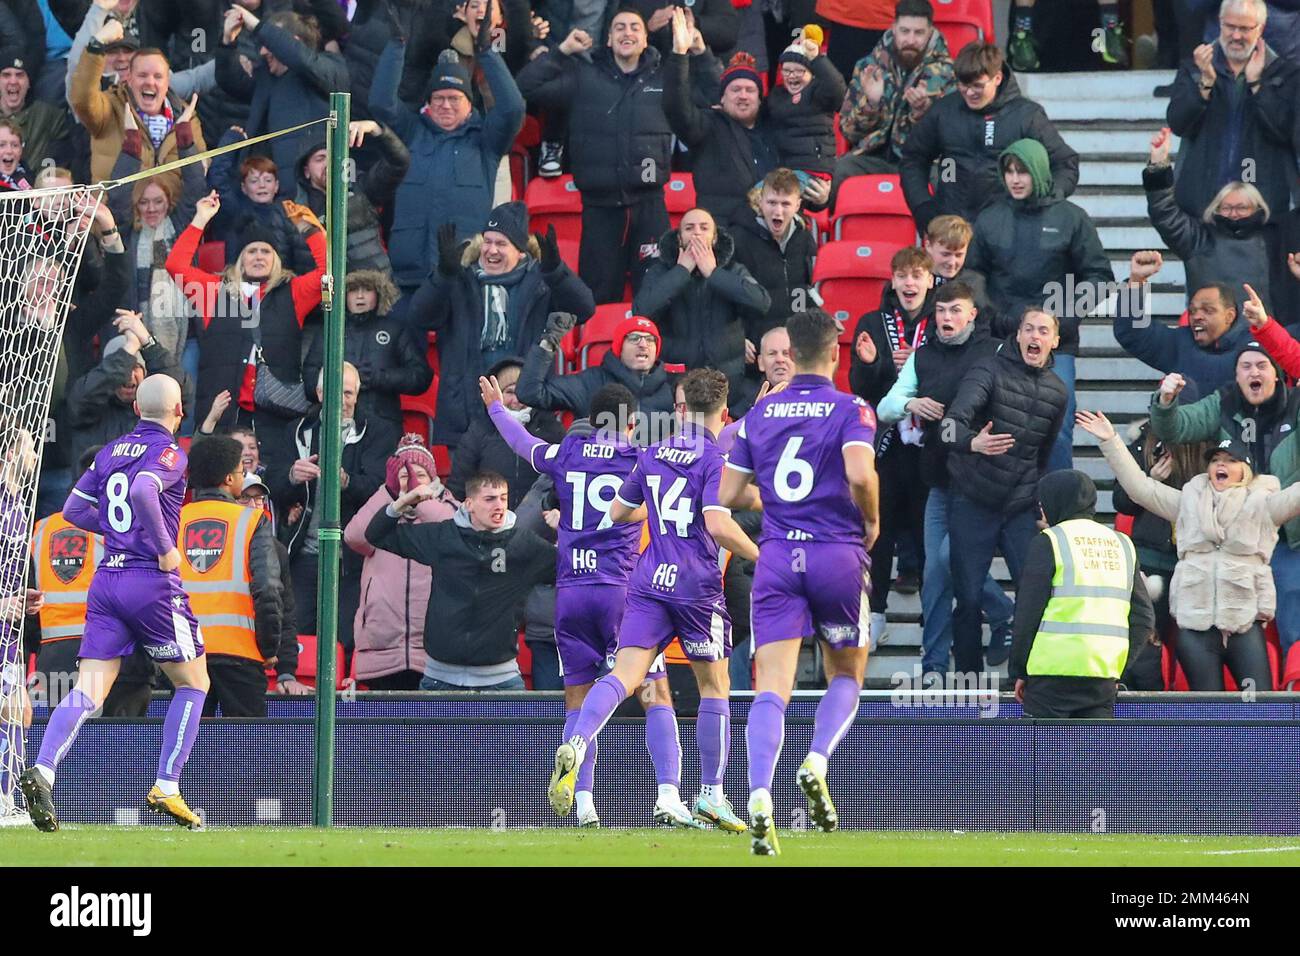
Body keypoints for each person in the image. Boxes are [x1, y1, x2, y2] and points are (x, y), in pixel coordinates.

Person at [482, 380, 720, 829]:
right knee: (655, 692)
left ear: (591, 421)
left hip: (570, 594)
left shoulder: (567, 455)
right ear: (630, 424)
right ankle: (669, 793)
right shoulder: (643, 458)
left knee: (579, 698)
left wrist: (497, 409)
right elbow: (707, 452)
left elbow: (523, 443)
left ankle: (584, 805)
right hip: (620, 592)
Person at [552, 369, 759, 829]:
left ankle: (580, 740)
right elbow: (720, 524)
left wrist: (661, 508)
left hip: (647, 580)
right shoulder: (713, 459)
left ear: (680, 408)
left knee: (625, 676)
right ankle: (711, 794)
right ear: (722, 412)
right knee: (714, 686)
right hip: (695, 586)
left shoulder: (652, 452)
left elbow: (618, 511)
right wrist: (762, 557)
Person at [716, 308, 880, 856]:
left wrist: (779, 502)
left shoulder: (758, 415)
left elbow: (729, 496)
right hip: (836, 552)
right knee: (847, 671)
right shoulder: (851, 408)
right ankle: (815, 760)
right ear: (835, 353)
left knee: (772, 687)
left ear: (791, 352)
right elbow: (859, 473)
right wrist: (873, 520)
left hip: (778, 557)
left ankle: (759, 793)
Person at [21, 374, 209, 832]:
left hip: (108, 580)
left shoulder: (108, 451)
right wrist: (164, 548)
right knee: (193, 683)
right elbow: (145, 490)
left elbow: (72, 511)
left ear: (136, 410)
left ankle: (44, 769)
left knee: (88, 690)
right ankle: (167, 784)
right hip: (152, 583)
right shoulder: (169, 453)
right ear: (179, 410)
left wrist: (115, 532)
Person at [1080, 410, 1300, 691]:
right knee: (1207, 712)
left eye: (1230, 461)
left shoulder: (1263, 504)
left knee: (1258, 713)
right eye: (1216, 461)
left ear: (1244, 470)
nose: (1221, 465)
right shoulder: (1187, 502)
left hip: (1244, 626)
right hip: (1195, 629)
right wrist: (1110, 441)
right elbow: (1140, 489)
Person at [877, 281, 1012, 681]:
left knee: (944, 560)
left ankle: (1005, 612)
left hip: (981, 480)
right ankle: (936, 663)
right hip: (938, 480)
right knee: (936, 575)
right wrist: (909, 403)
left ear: (972, 314)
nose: (947, 318)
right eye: (941, 311)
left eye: (956, 310)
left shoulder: (995, 352)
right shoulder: (923, 356)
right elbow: (886, 406)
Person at [1147, 328, 1300, 658]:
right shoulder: (1224, 402)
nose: (1253, 372)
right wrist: (1166, 401)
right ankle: (1222, 701)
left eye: (1261, 365)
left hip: (1289, 535)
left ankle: (1294, 688)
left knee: (1292, 599)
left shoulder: (1296, 406)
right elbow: (1174, 427)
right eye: (1245, 366)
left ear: (1278, 373)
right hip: (1233, 537)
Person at [967, 137, 1114, 474]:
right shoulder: (990, 218)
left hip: (1055, 344)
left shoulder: (1072, 218)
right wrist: (996, 315)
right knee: (998, 424)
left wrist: (1061, 318)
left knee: (1058, 428)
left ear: (1040, 171)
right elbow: (973, 274)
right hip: (1003, 337)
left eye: (1023, 171)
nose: (1016, 179)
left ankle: (1057, 506)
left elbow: (1099, 276)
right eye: (1009, 172)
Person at [407, 201, 594, 450]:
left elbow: (584, 309)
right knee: (471, 488)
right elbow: (420, 316)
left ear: (519, 250)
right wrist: (443, 274)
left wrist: (556, 272)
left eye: (501, 243)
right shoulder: (460, 278)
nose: (491, 250)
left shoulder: (540, 280)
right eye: (487, 241)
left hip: (526, 413)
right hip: (467, 414)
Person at [944, 308, 1069, 674]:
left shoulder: (1058, 392)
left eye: (1043, 330)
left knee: (1036, 596)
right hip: (973, 497)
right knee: (967, 599)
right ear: (1017, 335)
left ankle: (1026, 679)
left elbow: (1044, 455)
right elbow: (947, 428)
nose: (1034, 336)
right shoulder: (988, 369)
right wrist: (972, 443)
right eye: (1027, 328)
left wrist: (1039, 502)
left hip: (1019, 504)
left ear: (1054, 341)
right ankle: (968, 682)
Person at [517, 8, 672, 303]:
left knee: (656, 299)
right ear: (609, 39)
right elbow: (526, 87)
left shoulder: (664, 77)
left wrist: (695, 53)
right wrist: (561, 51)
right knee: (597, 299)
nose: (627, 33)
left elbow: (708, 95)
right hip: (600, 209)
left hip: (651, 207)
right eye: (620, 28)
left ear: (645, 39)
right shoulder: (583, 77)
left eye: (635, 28)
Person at [371, 10, 524, 292]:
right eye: (438, 98)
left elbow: (513, 108)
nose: (445, 105)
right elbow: (381, 104)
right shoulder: (411, 131)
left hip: (464, 277)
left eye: (454, 98)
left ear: (469, 103)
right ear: (428, 103)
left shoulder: (486, 141)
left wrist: (486, 51)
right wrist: (396, 45)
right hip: (409, 276)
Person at [366, 470, 555, 690]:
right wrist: (402, 502)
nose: (499, 505)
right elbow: (375, 535)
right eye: (489, 499)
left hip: (501, 681)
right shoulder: (443, 537)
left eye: (503, 498)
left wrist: (564, 533)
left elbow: (573, 569)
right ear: (469, 504)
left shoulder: (522, 543)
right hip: (440, 680)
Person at [166, 190, 326, 433]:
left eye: (266, 252)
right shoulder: (215, 292)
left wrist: (309, 229)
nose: (259, 257)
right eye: (251, 251)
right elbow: (176, 265)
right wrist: (201, 219)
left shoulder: (293, 292)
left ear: (276, 260)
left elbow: (329, 274)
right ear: (240, 259)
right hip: (221, 418)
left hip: (275, 418)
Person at [262, 363, 398, 642]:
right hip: (305, 552)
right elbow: (272, 485)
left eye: (349, 394)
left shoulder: (378, 431)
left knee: (345, 638)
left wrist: (347, 482)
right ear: (321, 393)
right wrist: (291, 476)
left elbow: (380, 489)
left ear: (358, 395)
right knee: (298, 635)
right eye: (337, 393)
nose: (343, 401)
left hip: (352, 556)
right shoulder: (297, 431)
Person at [1008, 469, 1154, 717]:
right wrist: (1117, 668)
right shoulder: (1123, 544)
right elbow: (1144, 618)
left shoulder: (1050, 541)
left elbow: (1027, 613)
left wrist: (1020, 671)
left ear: (1057, 501)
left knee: (1047, 755)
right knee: (1091, 755)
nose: (1041, 512)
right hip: (1102, 677)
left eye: (1043, 504)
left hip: (1050, 677)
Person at [848, 245, 934, 646]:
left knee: (926, 534)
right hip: (886, 447)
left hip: (931, 444)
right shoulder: (872, 321)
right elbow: (860, 390)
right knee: (877, 534)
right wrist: (872, 364)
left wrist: (918, 362)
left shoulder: (941, 320)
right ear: (893, 280)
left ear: (931, 281)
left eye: (917, 275)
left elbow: (952, 377)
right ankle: (876, 610)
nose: (910, 282)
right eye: (903, 275)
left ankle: (932, 617)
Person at [899, 42, 1078, 233]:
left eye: (977, 85)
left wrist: (1043, 204)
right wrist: (922, 206)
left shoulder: (1027, 116)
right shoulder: (944, 111)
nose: (969, 92)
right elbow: (913, 159)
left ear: (998, 78)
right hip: (952, 231)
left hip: (1008, 231)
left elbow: (1065, 163)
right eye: (963, 85)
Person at [30, 445, 155, 717]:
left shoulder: (41, 529)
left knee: (67, 750)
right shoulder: (126, 528)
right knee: (122, 752)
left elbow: (27, 601)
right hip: (117, 655)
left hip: (55, 658)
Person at [178, 436, 283, 718]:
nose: (243, 477)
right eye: (240, 471)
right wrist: (269, 647)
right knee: (246, 753)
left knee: (186, 751)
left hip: (184, 656)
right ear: (227, 478)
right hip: (240, 654)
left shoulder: (172, 520)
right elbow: (268, 590)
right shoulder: (250, 521)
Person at [1165, 0, 1298, 220]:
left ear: (1261, 29)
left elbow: (1285, 131)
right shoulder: (1195, 68)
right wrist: (1205, 83)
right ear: (1220, 24)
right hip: (1202, 208)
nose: (1236, 36)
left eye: (1245, 28)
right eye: (1230, 27)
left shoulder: (1284, 74)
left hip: (1264, 210)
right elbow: (1178, 123)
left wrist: (1257, 85)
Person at [344, 434, 458, 690]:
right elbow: (354, 537)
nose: (412, 481)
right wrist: (390, 495)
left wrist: (418, 502)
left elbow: (455, 532)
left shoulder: (448, 506)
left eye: (419, 474)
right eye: (404, 475)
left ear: (433, 479)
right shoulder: (382, 506)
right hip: (382, 648)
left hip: (432, 650)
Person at [633, 207, 771, 407]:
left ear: (714, 239)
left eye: (704, 228)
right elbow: (642, 311)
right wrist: (681, 271)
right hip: (675, 384)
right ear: (679, 239)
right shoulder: (660, 272)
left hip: (727, 385)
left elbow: (761, 303)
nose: (697, 233)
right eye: (689, 228)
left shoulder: (733, 269)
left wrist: (714, 273)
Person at [1144, 126, 1289, 312]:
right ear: (1215, 209)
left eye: (1241, 208)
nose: (1233, 213)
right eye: (1226, 208)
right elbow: (1164, 213)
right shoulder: (1199, 239)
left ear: (1258, 209)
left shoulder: (1276, 240)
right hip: (1210, 336)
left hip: (1264, 335)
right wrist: (1158, 166)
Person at [832, 0, 953, 208]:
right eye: (905, 31)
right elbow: (848, 132)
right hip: (873, 157)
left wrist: (921, 115)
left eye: (918, 33)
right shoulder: (869, 67)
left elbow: (952, 139)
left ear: (930, 32)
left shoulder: (947, 74)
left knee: (946, 182)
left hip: (922, 163)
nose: (910, 40)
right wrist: (871, 104)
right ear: (894, 28)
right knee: (839, 170)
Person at [216, 7, 350, 188]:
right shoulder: (266, 76)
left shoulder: (329, 68)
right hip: (270, 191)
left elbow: (304, 61)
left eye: (268, 44)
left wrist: (256, 26)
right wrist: (227, 42)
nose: (262, 52)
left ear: (292, 42)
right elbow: (231, 82)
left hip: (308, 189)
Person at [664, 14, 777, 226]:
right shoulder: (709, 127)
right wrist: (680, 54)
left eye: (750, 90)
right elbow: (675, 107)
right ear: (721, 98)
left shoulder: (774, 129)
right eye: (735, 90)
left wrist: (701, 52)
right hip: (722, 236)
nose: (743, 95)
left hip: (767, 236)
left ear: (760, 99)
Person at [69, 19, 209, 183]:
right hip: (111, 208)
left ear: (167, 82)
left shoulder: (187, 119)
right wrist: (97, 43)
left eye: (158, 76)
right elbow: (82, 98)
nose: (150, 82)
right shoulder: (109, 110)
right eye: (142, 75)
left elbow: (197, 182)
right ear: (129, 78)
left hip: (171, 208)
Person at [302, 269, 433, 437]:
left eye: (367, 289)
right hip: (336, 423)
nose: (360, 296)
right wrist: (338, 382)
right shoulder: (330, 331)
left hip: (383, 423)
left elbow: (421, 376)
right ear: (343, 295)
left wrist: (380, 378)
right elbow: (309, 379)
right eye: (353, 290)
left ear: (379, 293)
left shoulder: (395, 330)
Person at [1115, 251, 1254, 397]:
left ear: (1229, 316)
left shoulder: (1253, 346)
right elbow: (1131, 331)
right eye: (1193, 311)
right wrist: (1136, 280)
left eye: (1208, 310)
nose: (1197, 316)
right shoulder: (1180, 343)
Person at [65, 311, 188, 474]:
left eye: (136, 367)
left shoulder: (157, 410)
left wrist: (147, 342)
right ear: (107, 370)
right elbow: (80, 400)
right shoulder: (88, 405)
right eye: (124, 367)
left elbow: (177, 387)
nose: (129, 376)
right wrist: (130, 347)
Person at [294, 120, 410, 276]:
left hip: (377, 291)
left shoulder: (362, 188)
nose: (329, 164)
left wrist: (376, 129)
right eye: (320, 158)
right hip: (326, 298)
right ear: (306, 171)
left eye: (334, 156)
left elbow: (399, 163)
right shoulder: (296, 213)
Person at [517, 313, 678, 420]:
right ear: (619, 348)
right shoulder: (590, 383)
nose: (643, 344)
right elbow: (530, 393)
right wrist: (548, 343)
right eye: (634, 338)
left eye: (650, 339)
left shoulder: (673, 389)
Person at [449, 357, 564, 507]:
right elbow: (459, 485)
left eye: (522, 392)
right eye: (509, 392)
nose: (517, 399)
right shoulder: (479, 432)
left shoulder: (553, 429)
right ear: (498, 394)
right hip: (489, 524)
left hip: (538, 523)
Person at [729, 169, 818, 355]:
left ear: (797, 205)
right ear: (760, 202)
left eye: (785, 204)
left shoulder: (803, 239)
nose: (778, 211)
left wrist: (820, 320)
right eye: (772, 203)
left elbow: (800, 291)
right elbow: (728, 298)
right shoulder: (738, 239)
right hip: (754, 350)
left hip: (793, 348)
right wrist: (737, 338)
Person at [236, 471, 306, 695]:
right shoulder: (216, 539)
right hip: (213, 654)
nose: (254, 504)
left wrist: (286, 672)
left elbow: (285, 613)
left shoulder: (276, 549)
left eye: (259, 499)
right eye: (246, 498)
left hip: (252, 660)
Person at [204, 133, 314, 272]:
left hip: (279, 286)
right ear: (244, 187)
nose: (262, 186)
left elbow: (302, 258)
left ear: (276, 186)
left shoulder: (290, 213)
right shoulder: (235, 210)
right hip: (241, 285)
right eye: (254, 181)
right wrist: (232, 138)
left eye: (268, 180)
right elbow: (217, 176)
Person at [761, 27, 847, 185]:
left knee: (761, 195)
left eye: (799, 71)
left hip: (813, 171)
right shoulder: (777, 95)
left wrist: (817, 58)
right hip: (785, 170)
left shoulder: (819, 92)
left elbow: (836, 88)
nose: (792, 75)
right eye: (787, 71)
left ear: (811, 73)